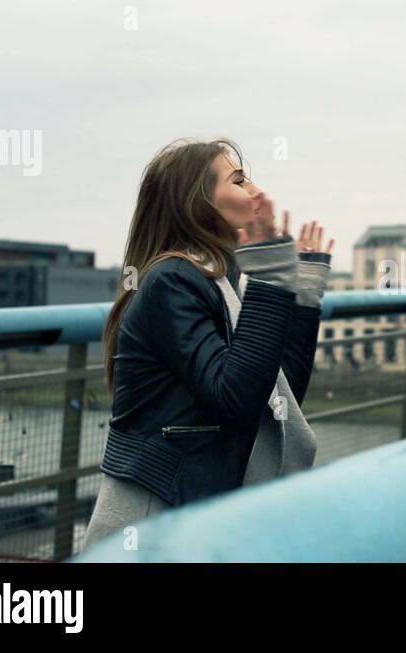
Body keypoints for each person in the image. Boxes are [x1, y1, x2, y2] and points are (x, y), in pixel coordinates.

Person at [82, 138, 334, 551]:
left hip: (198, 508)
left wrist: (302, 295)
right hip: (155, 516)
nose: (257, 192)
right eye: (238, 180)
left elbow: (279, 401)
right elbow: (235, 398)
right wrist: (272, 278)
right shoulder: (173, 281)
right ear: (195, 205)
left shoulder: (223, 281)